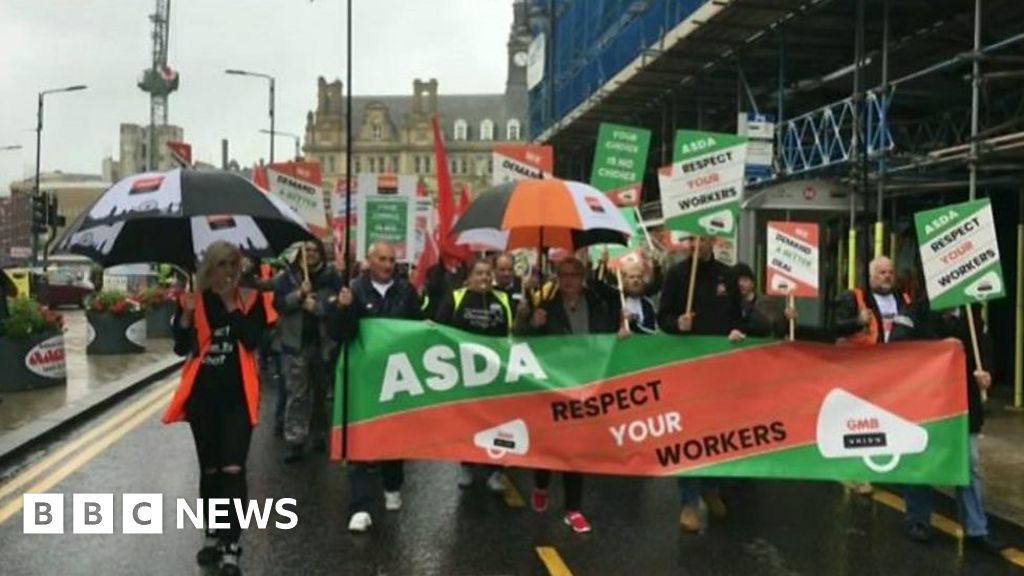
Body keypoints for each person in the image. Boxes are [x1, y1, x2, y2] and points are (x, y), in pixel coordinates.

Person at [163, 240, 267, 576]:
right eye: (220, 265)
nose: (227, 272)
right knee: (210, 471)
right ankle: (212, 534)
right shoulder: (194, 300)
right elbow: (181, 347)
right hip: (203, 399)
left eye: (232, 265)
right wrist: (187, 316)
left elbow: (252, 339)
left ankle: (231, 547)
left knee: (233, 470)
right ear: (209, 268)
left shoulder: (251, 299)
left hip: (238, 398)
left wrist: (230, 304)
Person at [515, 257, 619, 534]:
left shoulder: (598, 303)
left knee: (575, 445)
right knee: (548, 441)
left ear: (582, 276)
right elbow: (520, 341)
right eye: (564, 275)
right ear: (557, 278)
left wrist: (620, 334)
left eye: (574, 274)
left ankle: (573, 509)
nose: (569, 280)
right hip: (552, 385)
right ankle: (541, 483)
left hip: (583, 383)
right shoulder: (546, 308)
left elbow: (608, 333)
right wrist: (531, 322)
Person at [330, 242, 423, 533]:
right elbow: (339, 334)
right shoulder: (354, 289)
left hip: (397, 375)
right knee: (360, 436)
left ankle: (393, 484)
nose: (387, 264)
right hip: (363, 376)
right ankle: (360, 505)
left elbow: (417, 329)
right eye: (381, 259)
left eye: (391, 259)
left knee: (394, 431)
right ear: (369, 260)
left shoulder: (406, 291)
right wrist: (343, 310)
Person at [657, 236, 743, 533]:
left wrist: (737, 331)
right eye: (690, 239)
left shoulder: (727, 275)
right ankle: (689, 501)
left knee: (718, 431)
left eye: (701, 239)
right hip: (688, 369)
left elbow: (737, 318)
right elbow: (663, 318)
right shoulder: (677, 275)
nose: (695, 245)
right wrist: (676, 324)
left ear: (712, 241)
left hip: (721, 370)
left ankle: (711, 486)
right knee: (691, 434)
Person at [903, 303, 1004, 551]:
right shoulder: (914, 313)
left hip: (964, 405)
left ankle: (977, 530)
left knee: (969, 465)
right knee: (920, 461)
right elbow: (898, 347)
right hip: (926, 402)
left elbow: (986, 351)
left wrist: (987, 374)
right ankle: (918, 521)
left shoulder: (975, 315)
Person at [833, 256, 923, 499]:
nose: (887, 277)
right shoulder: (854, 297)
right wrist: (856, 322)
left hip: (896, 371)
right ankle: (861, 474)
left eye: (890, 272)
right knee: (864, 424)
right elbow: (834, 327)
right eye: (882, 272)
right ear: (871, 275)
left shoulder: (904, 299)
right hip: (863, 372)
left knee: (894, 420)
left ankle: (893, 471)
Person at [434, 257, 513, 493]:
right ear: (469, 278)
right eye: (479, 273)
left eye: (488, 274)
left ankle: (496, 470)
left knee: (497, 423)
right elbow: (439, 328)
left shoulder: (504, 299)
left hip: (496, 374)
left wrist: (526, 316)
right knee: (467, 422)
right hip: (464, 373)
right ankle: (466, 465)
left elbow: (514, 333)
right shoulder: (456, 298)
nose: (484, 278)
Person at [274, 241, 342, 463]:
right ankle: (295, 441)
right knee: (298, 394)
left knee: (321, 393)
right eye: (306, 251)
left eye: (314, 250)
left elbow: (337, 306)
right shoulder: (288, 277)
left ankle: (319, 435)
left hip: (322, 345)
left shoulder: (331, 276)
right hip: (296, 345)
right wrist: (299, 296)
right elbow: (279, 304)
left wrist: (318, 307)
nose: (310, 254)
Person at [733, 263, 794, 338]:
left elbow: (778, 329)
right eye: (737, 281)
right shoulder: (728, 302)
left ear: (753, 283)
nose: (740, 284)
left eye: (745, 280)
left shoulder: (766, 303)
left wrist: (787, 318)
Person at [617, 260, 657, 334]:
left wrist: (633, 325)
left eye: (639, 277)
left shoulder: (648, 305)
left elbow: (653, 333)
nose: (636, 280)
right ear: (623, 280)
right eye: (631, 277)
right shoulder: (616, 302)